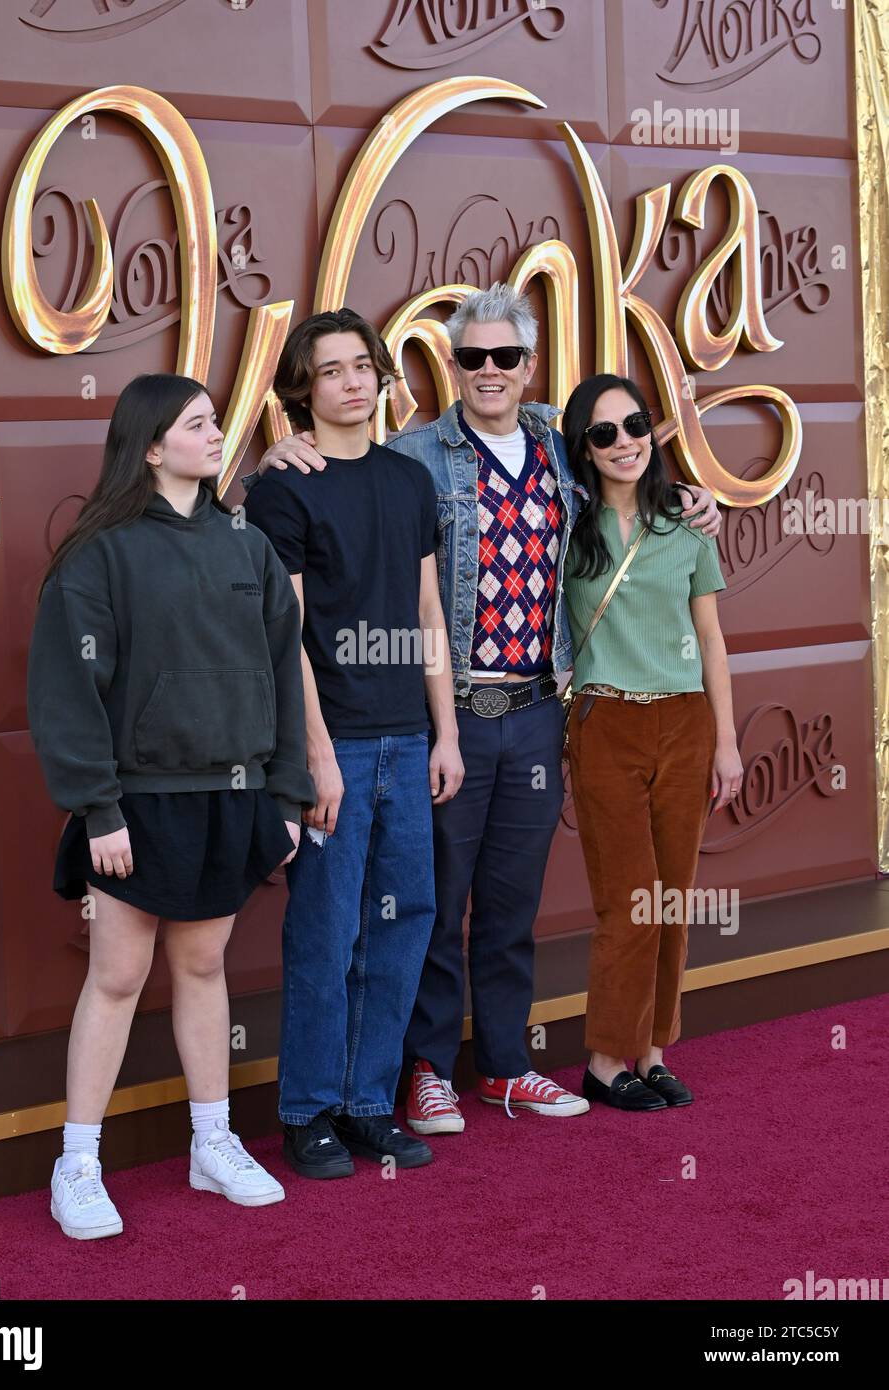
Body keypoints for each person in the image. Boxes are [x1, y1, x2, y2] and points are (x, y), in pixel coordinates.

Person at [252, 284, 722, 1135]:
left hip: (541, 708)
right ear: (452, 366)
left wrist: (690, 496)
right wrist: (275, 457)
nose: (490, 371)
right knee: (431, 899)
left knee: (512, 902)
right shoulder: (416, 453)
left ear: (530, 365)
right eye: (473, 358)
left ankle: (506, 1064)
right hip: (452, 711)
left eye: (507, 357)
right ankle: (427, 1070)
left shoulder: (557, 439)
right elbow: (335, 474)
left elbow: (627, 472)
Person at [27, 373, 315, 1238]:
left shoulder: (247, 545)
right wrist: (98, 808)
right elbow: (66, 688)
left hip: (232, 798)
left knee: (201, 970)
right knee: (116, 978)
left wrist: (289, 794)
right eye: (199, 424)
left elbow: (282, 680)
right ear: (152, 446)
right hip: (136, 805)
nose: (218, 434)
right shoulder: (98, 552)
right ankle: (76, 1163)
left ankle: (212, 1143)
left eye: (217, 421)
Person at [243, 307, 463, 1179]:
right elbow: (285, 631)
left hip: (410, 743)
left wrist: (445, 732)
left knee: (404, 923)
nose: (351, 380)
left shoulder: (408, 482)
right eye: (330, 369)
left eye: (362, 365)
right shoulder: (282, 488)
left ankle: (372, 1104)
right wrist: (317, 754)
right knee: (326, 936)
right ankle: (309, 1113)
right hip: (332, 746)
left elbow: (426, 612)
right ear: (305, 388)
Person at [561, 373, 742, 1111]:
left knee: (673, 902)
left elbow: (712, 639)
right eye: (602, 434)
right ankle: (606, 1062)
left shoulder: (686, 525)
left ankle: (655, 1052)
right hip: (606, 723)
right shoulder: (566, 525)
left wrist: (726, 743)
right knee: (630, 901)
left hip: (687, 720)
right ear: (583, 447)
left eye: (633, 425)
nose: (623, 443)